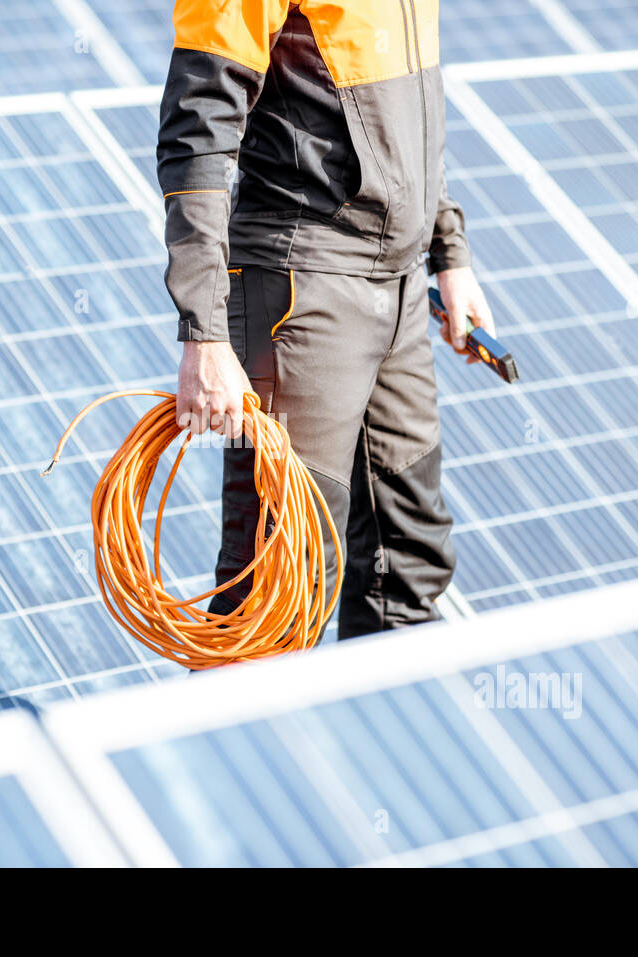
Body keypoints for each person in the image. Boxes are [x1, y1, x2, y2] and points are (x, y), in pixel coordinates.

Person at [158, 0, 495, 641]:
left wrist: (449, 251)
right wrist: (204, 331)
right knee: (283, 585)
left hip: (399, 288)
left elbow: (413, 112)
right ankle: (246, 738)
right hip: (304, 287)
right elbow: (197, 134)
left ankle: (384, 730)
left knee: (409, 561)